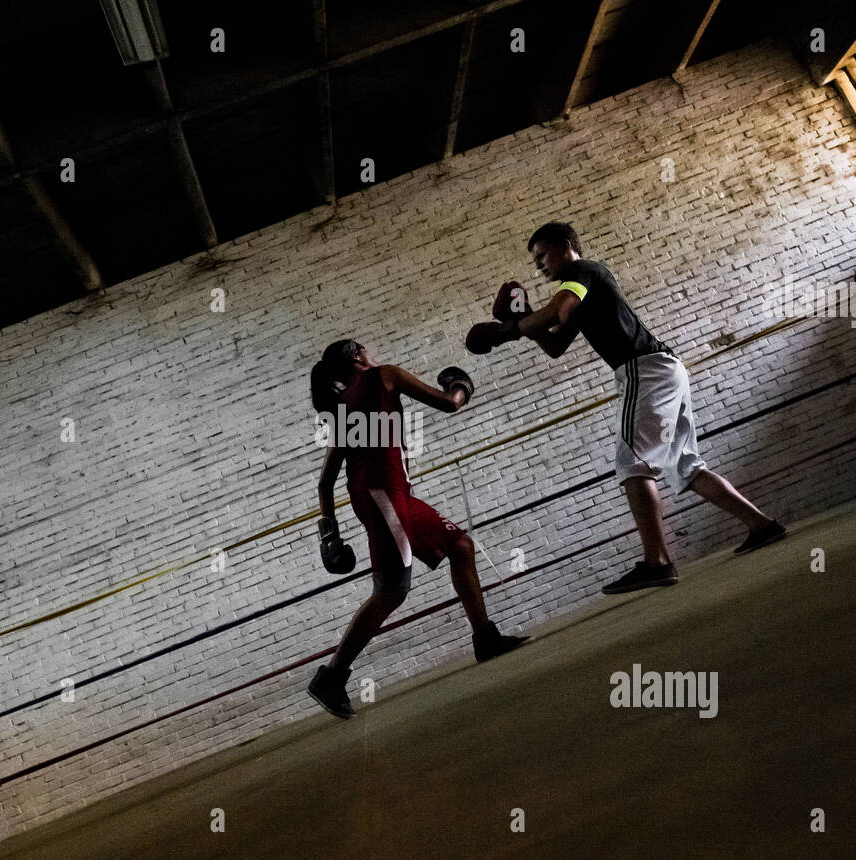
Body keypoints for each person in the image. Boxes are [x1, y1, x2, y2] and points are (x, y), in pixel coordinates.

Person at [465, 221, 786, 594]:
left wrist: (507, 331)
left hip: (643, 369)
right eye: (535, 260)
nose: (538, 266)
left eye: (542, 255)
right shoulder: (580, 292)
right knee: (685, 465)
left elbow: (557, 312)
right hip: (663, 370)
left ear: (567, 246)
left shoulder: (582, 272)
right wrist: (522, 322)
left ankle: (658, 563)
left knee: (632, 463)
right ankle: (763, 525)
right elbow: (555, 345)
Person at [307, 339, 525, 718]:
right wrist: (462, 384)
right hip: (383, 494)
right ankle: (332, 676)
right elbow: (450, 402)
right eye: (366, 349)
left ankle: (485, 638)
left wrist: (330, 535)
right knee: (392, 590)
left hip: (391, 494)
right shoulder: (383, 375)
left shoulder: (342, 407)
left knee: (460, 546)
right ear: (359, 355)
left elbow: (325, 482)